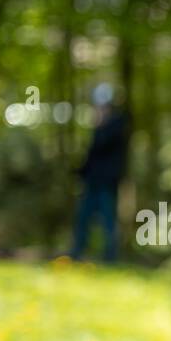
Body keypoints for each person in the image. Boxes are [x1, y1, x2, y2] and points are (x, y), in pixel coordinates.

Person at [71, 83, 130, 263]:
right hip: (92, 181)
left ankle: (110, 256)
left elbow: (103, 147)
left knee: (107, 219)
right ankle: (77, 251)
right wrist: (80, 172)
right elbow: (92, 155)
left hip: (107, 182)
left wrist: (100, 125)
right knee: (83, 217)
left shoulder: (116, 124)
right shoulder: (101, 126)